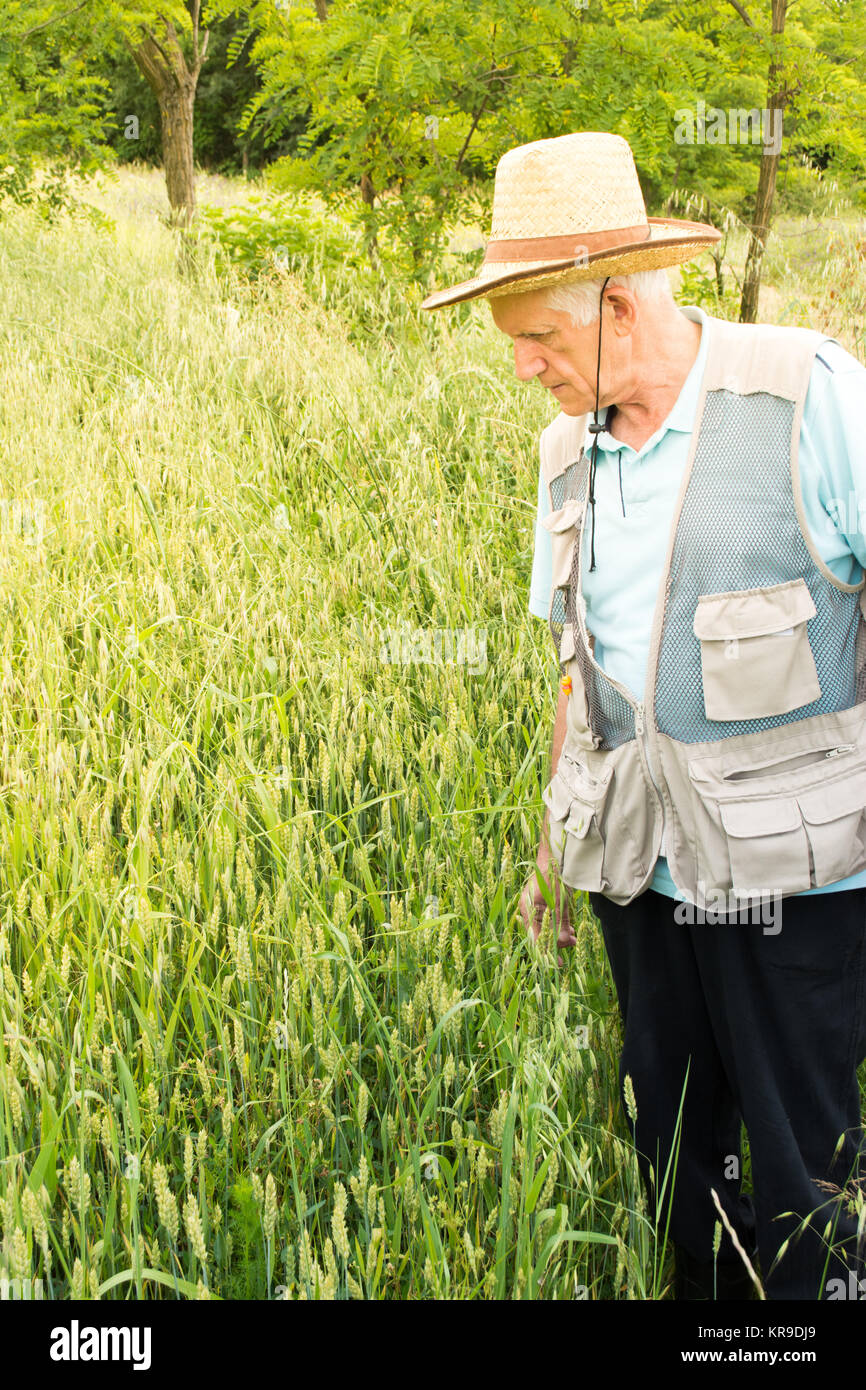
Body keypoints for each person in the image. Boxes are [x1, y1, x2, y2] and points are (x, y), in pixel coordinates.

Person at [422, 131, 866, 1301]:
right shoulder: (562, 450)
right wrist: (550, 855)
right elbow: (581, 669)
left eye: (538, 339)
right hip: (638, 871)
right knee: (677, 1159)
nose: (522, 368)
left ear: (618, 302)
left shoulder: (805, 395)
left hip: (793, 882)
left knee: (802, 1175)